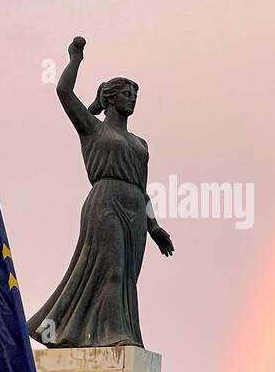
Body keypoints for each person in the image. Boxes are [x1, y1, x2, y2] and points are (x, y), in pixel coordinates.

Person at [28, 36, 173, 348]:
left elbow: (144, 190)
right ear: (110, 98)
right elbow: (63, 92)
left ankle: (118, 333)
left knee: (127, 280)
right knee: (113, 269)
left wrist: (154, 226)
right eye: (126, 92)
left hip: (135, 208)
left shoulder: (140, 143)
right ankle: (112, 336)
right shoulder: (93, 129)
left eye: (135, 93)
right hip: (105, 202)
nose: (132, 98)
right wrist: (75, 58)